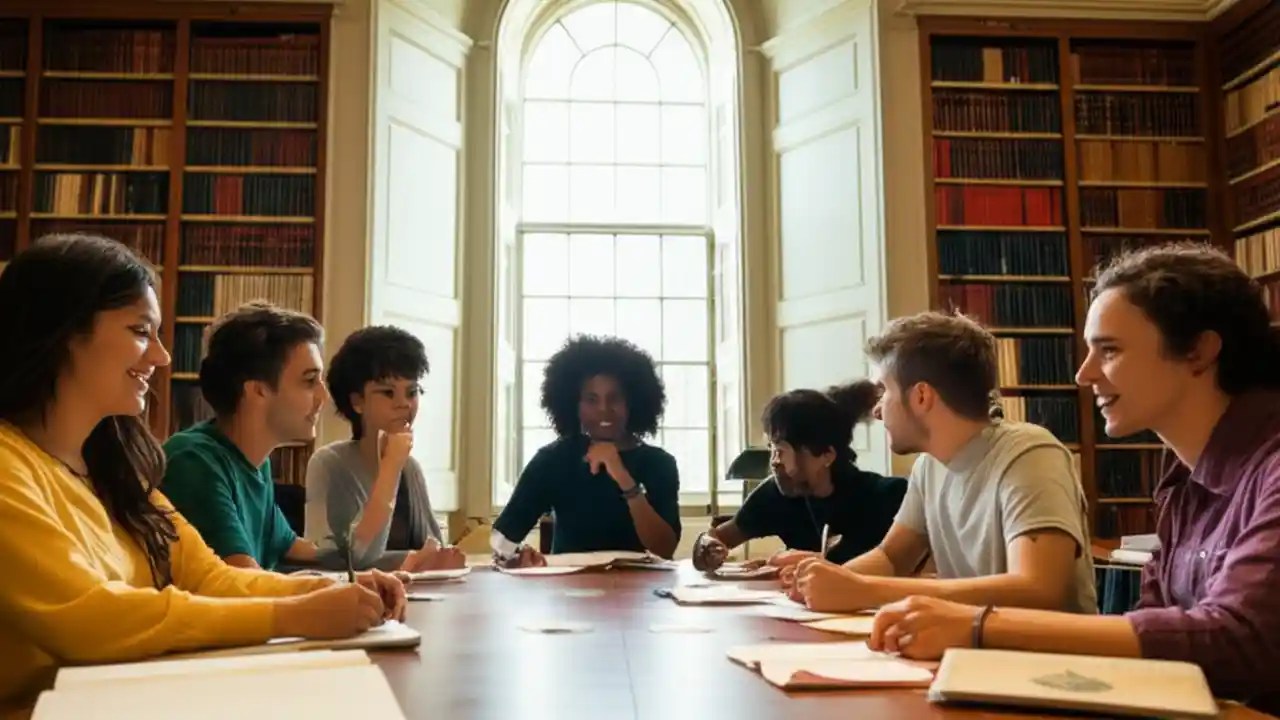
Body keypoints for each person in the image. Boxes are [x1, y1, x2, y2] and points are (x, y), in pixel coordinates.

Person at [867, 243, 1280, 715]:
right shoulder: (1181, 479)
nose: (1084, 375)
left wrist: (978, 626)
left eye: (1109, 350)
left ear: (1199, 351)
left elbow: (1241, 640)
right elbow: (1158, 623)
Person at [0, 234, 404, 714]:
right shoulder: (9, 466)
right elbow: (90, 618)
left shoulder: (117, 472)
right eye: (140, 331)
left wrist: (330, 591)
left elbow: (208, 577)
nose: (162, 357)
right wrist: (294, 613)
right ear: (60, 331)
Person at [789, 311, 1097, 615]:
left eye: (884, 391)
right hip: (970, 653)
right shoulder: (929, 466)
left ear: (922, 396)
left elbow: (1037, 590)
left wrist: (864, 590)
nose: (877, 410)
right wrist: (819, 580)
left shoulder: (1031, 455)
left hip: (1052, 663)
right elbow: (892, 558)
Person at [162, 301, 329, 571]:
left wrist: (397, 563)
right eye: (310, 381)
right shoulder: (193, 461)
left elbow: (297, 549)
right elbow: (244, 580)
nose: (324, 397)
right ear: (257, 390)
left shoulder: (254, 462)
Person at [491, 335, 681, 566]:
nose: (604, 409)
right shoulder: (554, 460)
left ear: (632, 402)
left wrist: (622, 476)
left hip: (642, 593)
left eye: (614, 398)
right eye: (591, 400)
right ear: (574, 404)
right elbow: (504, 540)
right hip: (568, 593)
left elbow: (665, 549)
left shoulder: (659, 464)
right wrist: (519, 557)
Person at [692, 381, 906, 572]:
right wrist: (707, 547)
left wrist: (803, 562)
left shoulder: (887, 497)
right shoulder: (775, 494)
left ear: (826, 455)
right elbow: (719, 536)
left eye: (782, 450)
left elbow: (899, 570)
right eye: (771, 449)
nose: (774, 461)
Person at [305, 325, 464, 572]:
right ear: (357, 401)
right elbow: (337, 560)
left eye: (412, 392)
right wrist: (390, 468)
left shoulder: (410, 469)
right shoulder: (329, 463)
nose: (403, 404)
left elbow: (434, 556)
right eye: (388, 393)